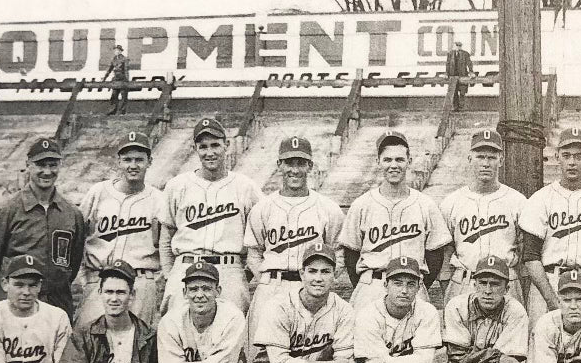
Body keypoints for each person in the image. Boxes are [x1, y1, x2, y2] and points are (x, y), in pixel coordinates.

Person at [0, 137, 87, 318]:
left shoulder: (72, 213)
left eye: (53, 165)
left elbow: (72, 262)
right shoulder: (7, 210)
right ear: (28, 165)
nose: (47, 172)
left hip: (56, 306)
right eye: (40, 165)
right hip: (15, 307)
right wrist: (1, 298)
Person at [518, 127, 581, 323]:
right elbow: (530, 255)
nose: (572, 162)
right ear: (557, 157)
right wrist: (551, 299)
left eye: (578, 156)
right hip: (548, 281)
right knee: (542, 347)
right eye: (566, 155)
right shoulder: (541, 199)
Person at [160, 118, 261, 315]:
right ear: (195, 148)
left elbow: (259, 236)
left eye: (215, 145)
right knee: (175, 331)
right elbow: (166, 236)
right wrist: (169, 274)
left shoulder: (246, 186)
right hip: (186, 266)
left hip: (229, 268)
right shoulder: (177, 185)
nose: (210, 152)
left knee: (234, 333)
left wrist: (243, 274)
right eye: (203, 146)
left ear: (227, 145)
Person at [340, 130, 451, 309]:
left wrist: (419, 283)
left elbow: (435, 254)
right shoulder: (361, 204)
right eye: (387, 160)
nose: (394, 165)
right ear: (378, 162)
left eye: (399, 159)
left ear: (409, 161)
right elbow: (351, 254)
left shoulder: (426, 204)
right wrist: (364, 285)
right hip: (372, 285)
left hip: (412, 286)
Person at [76, 131, 168, 328]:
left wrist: (155, 281)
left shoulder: (159, 200)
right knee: (90, 341)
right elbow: (77, 235)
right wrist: (86, 279)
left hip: (141, 281)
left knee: (137, 346)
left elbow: (167, 245)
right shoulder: (98, 192)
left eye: (139, 160)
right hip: (99, 279)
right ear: (118, 161)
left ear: (149, 161)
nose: (133, 166)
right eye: (127, 159)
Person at [244, 135, 344, 316]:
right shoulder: (262, 208)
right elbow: (253, 255)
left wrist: (321, 282)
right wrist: (266, 281)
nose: (295, 170)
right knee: (261, 342)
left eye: (301, 163)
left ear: (310, 166)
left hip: (310, 288)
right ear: (279, 165)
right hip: (271, 286)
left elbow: (338, 253)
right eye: (289, 163)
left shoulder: (329, 208)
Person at [439, 129, 527, 302]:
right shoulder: (451, 202)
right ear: (470, 159)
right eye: (480, 156)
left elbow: (524, 255)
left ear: (501, 160)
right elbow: (445, 256)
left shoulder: (518, 201)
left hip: (505, 283)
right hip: (465, 281)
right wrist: (449, 287)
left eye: (491, 157)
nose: (485, 163)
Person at [445, 40, 474, 111]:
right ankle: (456, 108)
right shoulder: (450, 54)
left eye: (459, 46)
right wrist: (446, 73)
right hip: (453, 76)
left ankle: (461, 107)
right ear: (454, 46)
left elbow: (469, 63)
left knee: (462, 92)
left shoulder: (465, 54)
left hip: (462, 76)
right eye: (457, 46)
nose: (458, 47)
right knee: (454, 93)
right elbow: (448, 64)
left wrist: (471, 72)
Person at [101, 44, 130, 115]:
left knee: (123, 95)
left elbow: (126, 70)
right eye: (115, 50)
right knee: (114, 94)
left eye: (117, 50)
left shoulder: (124, 59)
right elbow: (109, 69)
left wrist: (127, 79)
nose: (116, 51)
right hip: (116, 79)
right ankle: (113, 109)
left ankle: (122, 111)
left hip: (122, 78)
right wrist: (104, 78)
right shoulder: (113, 59)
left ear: (120, 51)